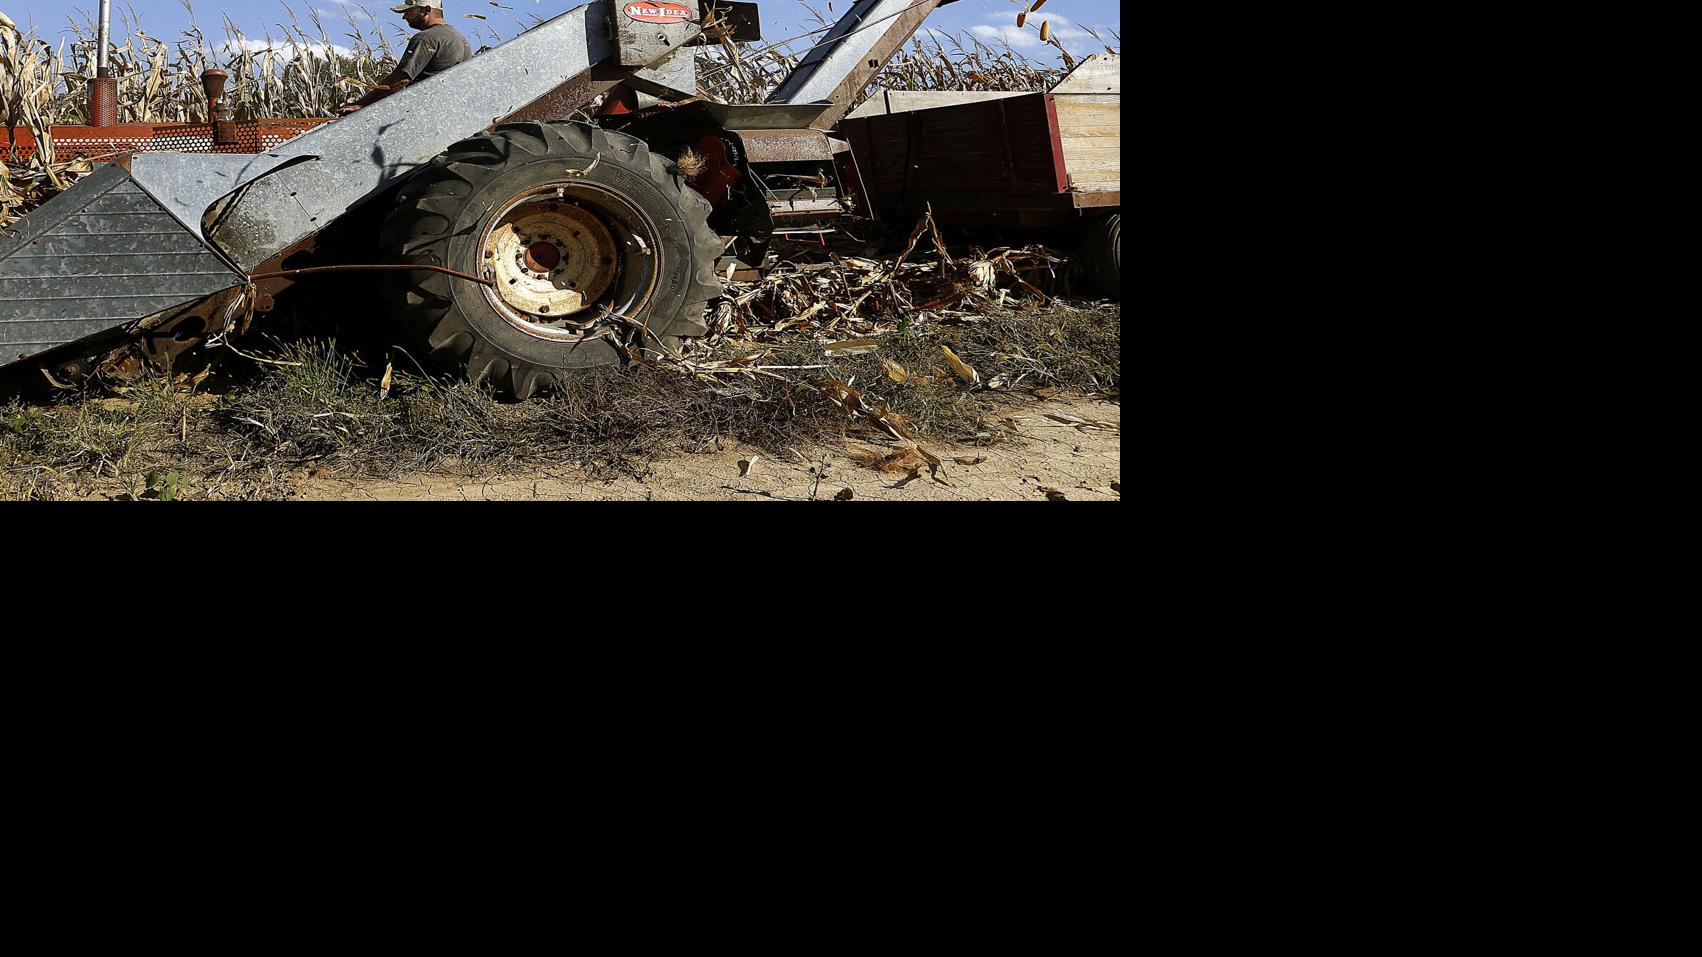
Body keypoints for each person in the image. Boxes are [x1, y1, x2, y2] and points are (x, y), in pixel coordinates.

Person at [337, 0, 471, 116]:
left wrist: (360, 104)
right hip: (451, 112)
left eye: (409, 11)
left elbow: (401, 80)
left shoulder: (426, 38)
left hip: (424, 113)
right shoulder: (460, 39)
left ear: (426, 10)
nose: (404, 17)